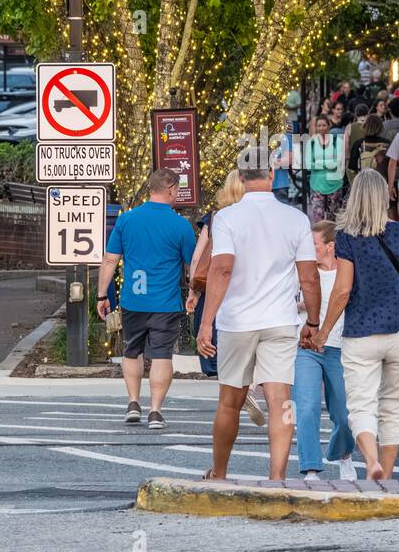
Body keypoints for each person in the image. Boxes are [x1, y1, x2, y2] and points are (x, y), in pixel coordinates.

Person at [313, 169, 399, 480]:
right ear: (386, 197)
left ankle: (370, 461)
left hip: (361, 332)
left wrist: (323, 331)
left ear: (355, 197)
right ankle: (385, 473)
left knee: (361, 404)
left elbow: (342, 290)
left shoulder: (346, 238)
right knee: (392, 407)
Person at [197, 167, 319, 480]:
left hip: (237, 321)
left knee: (229, 401)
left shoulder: (226, 218)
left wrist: (206, 322)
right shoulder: (296, 219)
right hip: (280, 319)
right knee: (280, 400)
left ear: (240, 176)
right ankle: (277, 476)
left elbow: (222, 270)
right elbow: (308, 275)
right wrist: (314, 321)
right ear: (272, 173)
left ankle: (220, 473)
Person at [97, 168, 197, 430]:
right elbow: (192, 266)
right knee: (162, 355)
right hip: (165, 303)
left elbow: (110, 260)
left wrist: (102, 295)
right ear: (171, 189)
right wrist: (194, 294)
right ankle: (155, 411)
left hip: (133, 301)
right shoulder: (180, 225)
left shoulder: (127, 220)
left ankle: (132, 402)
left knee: (132, 351)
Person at [293, 221, 356, 481]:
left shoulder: (348, 270)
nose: (309, 250)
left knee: (343, 411)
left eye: (314, 244)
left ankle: (343, 455)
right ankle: (310, 467)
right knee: (306, 407)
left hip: (341, 346)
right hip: (306, 346)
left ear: (330, 246)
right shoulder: (302, 272)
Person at [188, 171, 248, 388]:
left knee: (214, 336)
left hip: (215, 285)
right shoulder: (253, 216)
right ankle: (242, 382)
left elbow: (197, 258)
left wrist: (192, 291)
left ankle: (228, 383)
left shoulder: (214, 218)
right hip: (243, 287)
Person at [306, 115, 346, 223]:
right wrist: (329, 163)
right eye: (319, 125)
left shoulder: (337, 142)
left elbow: (338, 162)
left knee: (333, 220)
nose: (321, 128)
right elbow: (309, 165)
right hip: (317, 185)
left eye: (324, 125)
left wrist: (318, 163)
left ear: (329, 126)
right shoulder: (311, 143)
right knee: (318, 219)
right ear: (316, 127)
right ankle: (319, 240)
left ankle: (332, 240)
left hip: (334, 184)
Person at [347, 113, 389, 184]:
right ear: (380, 127)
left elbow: (352, 168)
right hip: (382, 184)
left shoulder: (358, 144)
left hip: (364, 184)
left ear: (365, 126)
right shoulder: (387, 144)